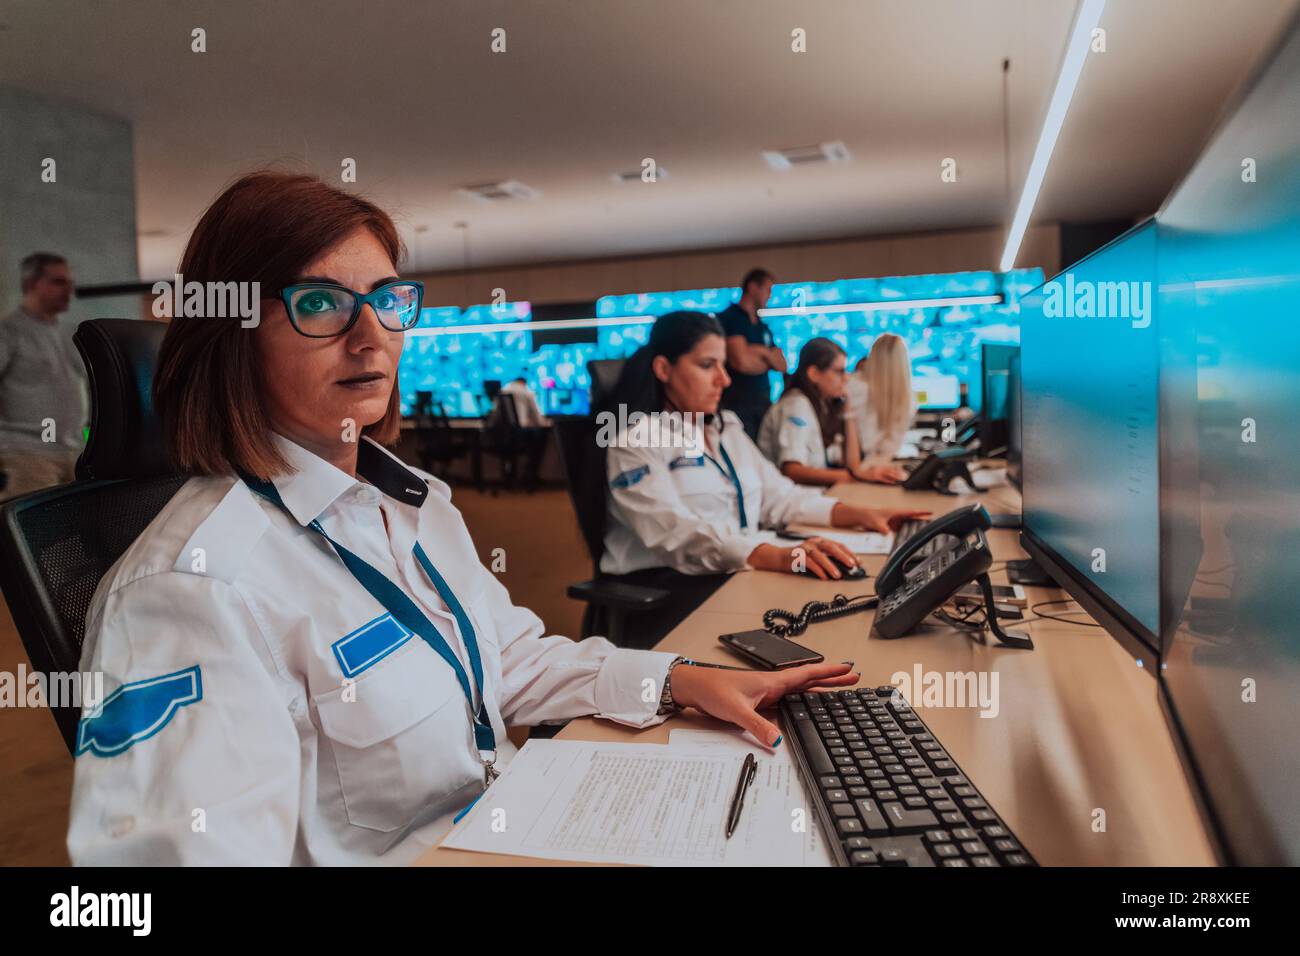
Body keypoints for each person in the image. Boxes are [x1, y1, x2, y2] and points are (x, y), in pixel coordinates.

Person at [66, 172, 861, 865]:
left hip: (521, 821)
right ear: (231, 336)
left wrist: (682, 680)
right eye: (320, 304)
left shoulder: (415, 501)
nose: (372, 337)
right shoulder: (192, 590)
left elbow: (509, 659)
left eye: (388, 302)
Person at [601, 311, 929, 648]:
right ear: (663, 369)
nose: (724, 380)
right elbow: (677, 533)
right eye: (707, 365)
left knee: (848, 614)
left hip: (735, 571)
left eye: (723, 366)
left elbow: (780, 497)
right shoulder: (635, 443)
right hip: (673, 591)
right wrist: (777, 556)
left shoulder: (726, 429)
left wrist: (861, 514)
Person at [758, 337, 907, 486]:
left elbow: (853, 464)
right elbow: (792, 471)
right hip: (796, 497)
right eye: (839, 371)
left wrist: (848, 411)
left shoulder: (820, 405)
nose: (846, 378)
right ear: (814, 374)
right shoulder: (796, 405)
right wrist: (855, 476)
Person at [0, 252, 86, 499]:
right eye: (59, 282)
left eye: (69, 283)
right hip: (27, 454)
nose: (68, 290)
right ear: (31, 284)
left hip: (72, 451)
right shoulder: (9, 331)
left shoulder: (69, 333)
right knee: (33, 521)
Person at [718, 267, 786, 439]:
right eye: (767, 290)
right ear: (753, 287)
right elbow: (741, 362)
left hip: (763, 403)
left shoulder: (763, 326)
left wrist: (755, 351)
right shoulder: (731, 318)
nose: (770, 296)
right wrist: (767, 355)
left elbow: (781, 364)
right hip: (738, 405)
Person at [846, 333, 917, 464]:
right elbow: (890, 448)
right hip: (877, 464)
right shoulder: (908, 400)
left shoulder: (853, 386)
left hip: (853, 463)